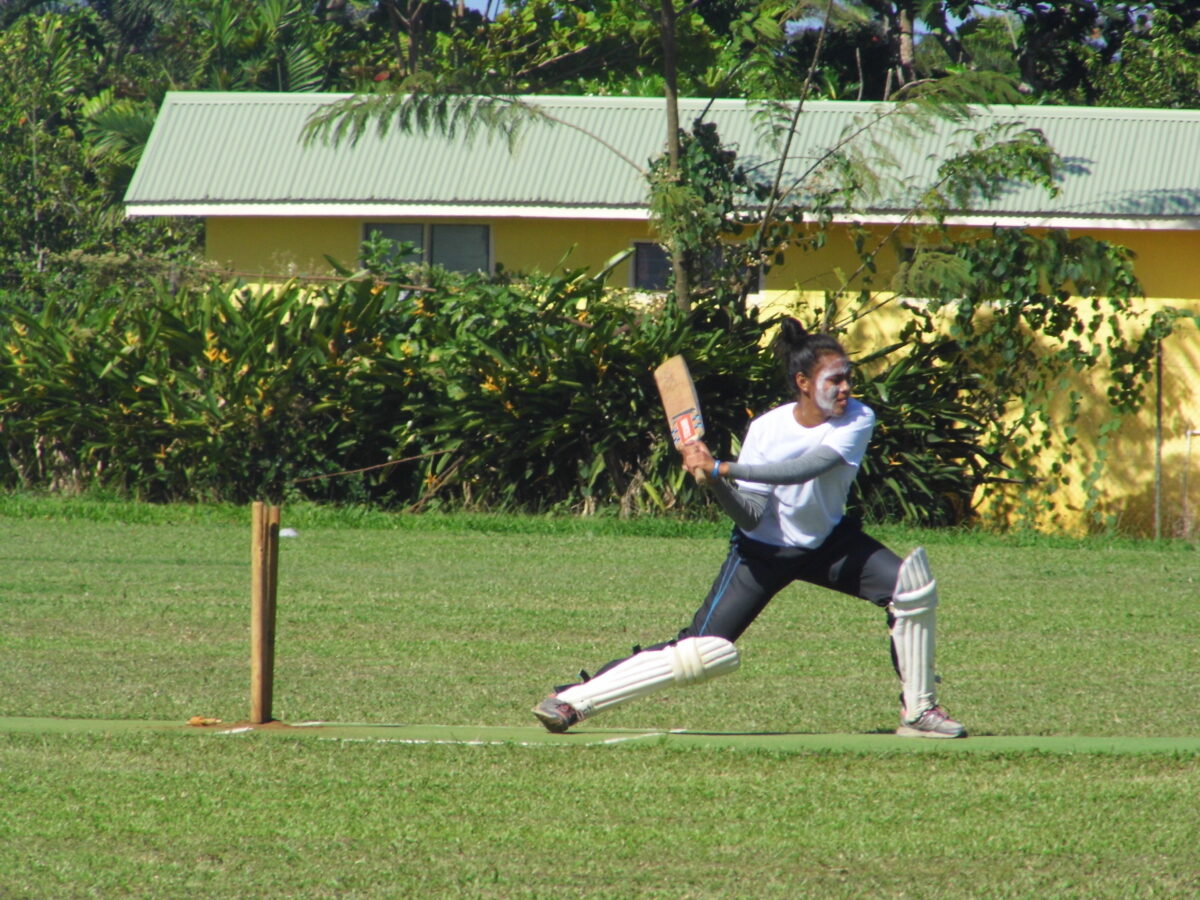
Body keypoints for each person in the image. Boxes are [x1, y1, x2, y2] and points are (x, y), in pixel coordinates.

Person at [532, 317, 966, 739]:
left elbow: (808, 468)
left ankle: (920, 711)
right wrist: (717, 483)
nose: (846, 388)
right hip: (762, 553)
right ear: (802, 382)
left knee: (910, 589)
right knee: (701, 651)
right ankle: (574, 700)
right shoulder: (766, 430)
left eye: (848, 377)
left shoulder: (856, 418)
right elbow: (751, 514)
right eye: (834, 379)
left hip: (829, 543)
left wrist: (722, 465)